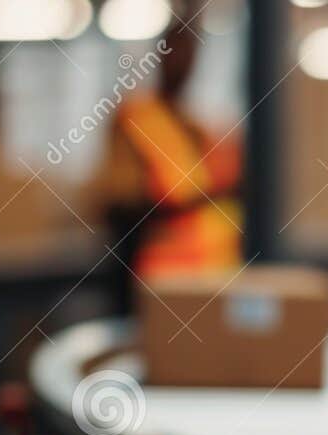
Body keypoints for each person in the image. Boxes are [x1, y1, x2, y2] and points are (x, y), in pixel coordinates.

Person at [98, 6, 241, 308]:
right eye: (175, 50)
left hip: (208, 274)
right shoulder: (135, 118)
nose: (183, 62)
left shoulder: (196, 127)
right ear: (160, 55)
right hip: (152, 271)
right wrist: (197, 201)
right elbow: (121, 199)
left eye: (189, 53)